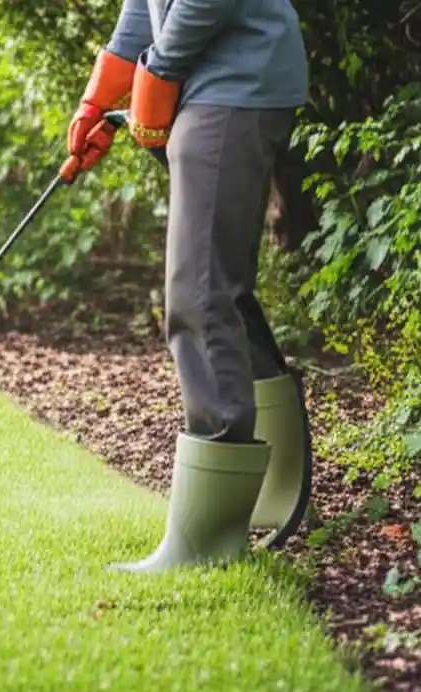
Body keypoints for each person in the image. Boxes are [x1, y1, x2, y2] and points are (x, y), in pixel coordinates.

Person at [61, 0, 314, 573]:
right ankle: (273, 495)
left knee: (199, 297)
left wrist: (159, 67)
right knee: (221, 290)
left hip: (232, 83)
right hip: (223, 83)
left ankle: (207, 538)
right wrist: (102, 93)